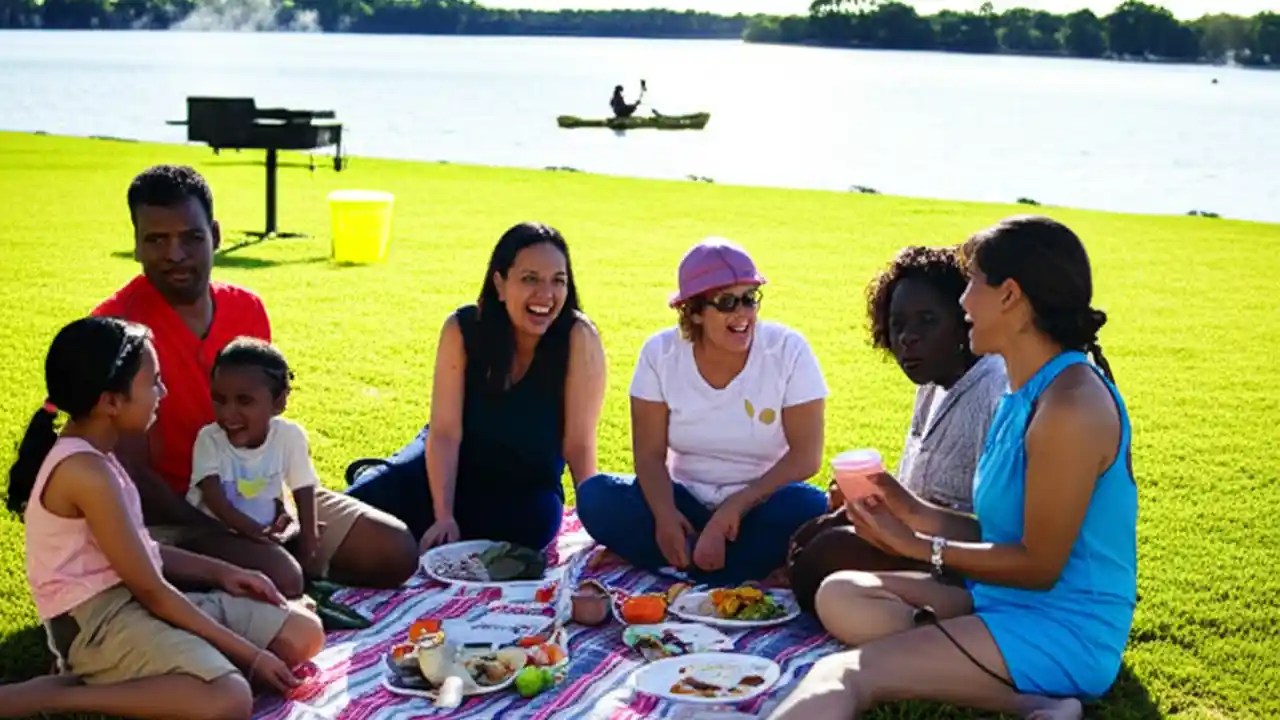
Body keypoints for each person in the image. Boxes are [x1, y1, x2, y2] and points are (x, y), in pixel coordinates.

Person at [766, 216, 1136, 720]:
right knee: (841, 591)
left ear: (1010, 296)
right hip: (1000, 605)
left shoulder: (1071, 406)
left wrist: (915, 547)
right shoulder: (1023, 391)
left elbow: (1040, 565)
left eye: (972, 285)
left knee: (840, 674)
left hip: (1060, 630)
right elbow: (999, 530)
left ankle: (981, 672)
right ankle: (1035, 705)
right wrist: (907, 507)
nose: (962, 303)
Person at [92, 164, 417, 598]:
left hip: (256, 498)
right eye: (156, 240)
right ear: (136, 245)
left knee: (394, 550)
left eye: (190, 237)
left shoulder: (247, 309)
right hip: (172, 516)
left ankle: (270, 581)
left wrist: (281, 512)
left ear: (216, 234)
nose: (174, 254)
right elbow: (135, 479)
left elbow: (263, 428)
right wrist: (234, 529)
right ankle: (236, 585)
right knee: (281, 575)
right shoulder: (113, 331)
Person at [0, 317, 322, 720]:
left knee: (304, 632)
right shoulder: (86, 472)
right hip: (99, 625)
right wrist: (252, 656)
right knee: (230, 698)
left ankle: (160, 677)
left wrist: (224, 574)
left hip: (136, 605)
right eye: (153, 382)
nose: (162, 392)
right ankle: (58, 695)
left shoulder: (100, 456)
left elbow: (143, 552)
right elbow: (152, 589)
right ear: (111, 401)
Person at [577, 238, 829, 586]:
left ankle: (684, 567)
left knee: (810, 506)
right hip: (684, 502)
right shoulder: (660, 353)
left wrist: (734, 507)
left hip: (760, 504)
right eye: (727, 302)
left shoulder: (789, 350)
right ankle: (728, 570)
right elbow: (649, 456)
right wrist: (665, 518)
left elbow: (807, 457)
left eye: (750, 298)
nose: (743, 313)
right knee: (596, 496)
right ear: (693, 311)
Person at [346, 221, 606, 552]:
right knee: (363, 502)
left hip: (523, 487)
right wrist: (443, 516)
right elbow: (444, 432)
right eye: (530, 279)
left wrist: (599, 525)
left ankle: (419, 531)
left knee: (532, 527)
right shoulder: (463, 328)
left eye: (558, 281)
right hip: (447, 465)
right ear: (500, 283)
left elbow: (579, 446)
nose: (546, 295)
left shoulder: (578, 339)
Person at [786, 245, 1007, 613]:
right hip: (916, 538)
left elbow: (1002, 529)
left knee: (822, 557)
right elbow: (919, 490)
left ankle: (934, 617)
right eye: (898, 324)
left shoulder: (996, 391)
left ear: (963, 318)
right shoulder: (932, 383)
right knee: (807, 536)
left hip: (966, 561)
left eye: (927, 320)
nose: (908, 338)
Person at [187, 338, 326, 579]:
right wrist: (261, 536)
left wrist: (307, 537)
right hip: (216, 534)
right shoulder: (209, 440)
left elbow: (303, 488)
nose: (228, 413)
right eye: (219, 399)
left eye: (244, 401)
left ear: (279, 402)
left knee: (312, 550)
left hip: (265, 533)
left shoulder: (290, 436)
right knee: (286, 576)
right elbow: (218, 505)